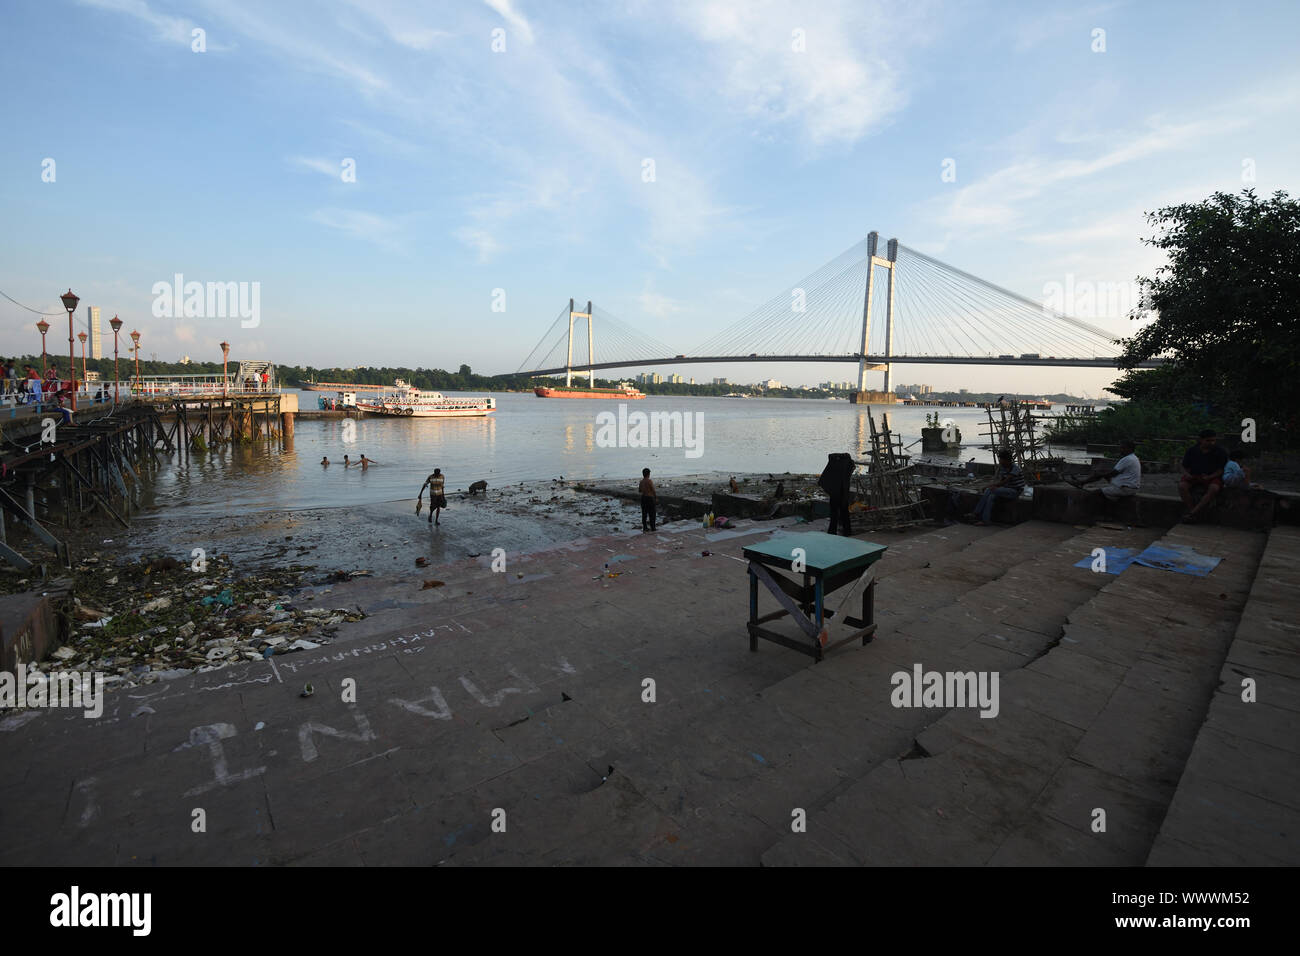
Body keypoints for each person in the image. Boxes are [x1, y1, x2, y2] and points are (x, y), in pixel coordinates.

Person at [1180, 429, 1228, 522]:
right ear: (1201, 440)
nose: (1211, 443)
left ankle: (1193, 513)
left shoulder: (1220, 452)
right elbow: (1183, 466)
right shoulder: (1192, 450)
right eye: (1208, 440)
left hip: (1212, 476)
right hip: (1195, 475)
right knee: (1182, 486)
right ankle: (1191, 510)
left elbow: (1221, 470)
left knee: (1214, 488)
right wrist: (1187, 474)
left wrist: (1209, 477)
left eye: (1213, 440)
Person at [971, 449, 1025, 526]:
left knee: (989, 491)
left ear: (1007, 460)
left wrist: (989, 487)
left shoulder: (1015, 468)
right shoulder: (1003, 468)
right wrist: (988, 486)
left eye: (1001, 459)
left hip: (1015, 491)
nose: (1000, 461)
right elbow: (1000, 482)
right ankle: (986, 520)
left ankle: (976, 513)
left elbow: (1005, 481)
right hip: (1006, 490)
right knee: (991, 497)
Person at [818, 452, 855, 536]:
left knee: (834, 514)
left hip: (835, 492)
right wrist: (845, 456)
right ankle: (847, 532)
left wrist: (841, 456)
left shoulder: (836, 464)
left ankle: (832, 531)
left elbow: (831, 456)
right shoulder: (849, 465)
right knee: (844, 513)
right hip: (844, 492)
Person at [639, 468, 657, 532]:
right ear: (648, 474)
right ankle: (653, 527)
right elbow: (653, 490)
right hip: (650, 498)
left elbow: (640, 490)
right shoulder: (649, 481)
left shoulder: (641, 482)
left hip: (643, 498)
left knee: (644, 514)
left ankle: (645, 527)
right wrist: (655, 497)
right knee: (652, 513)